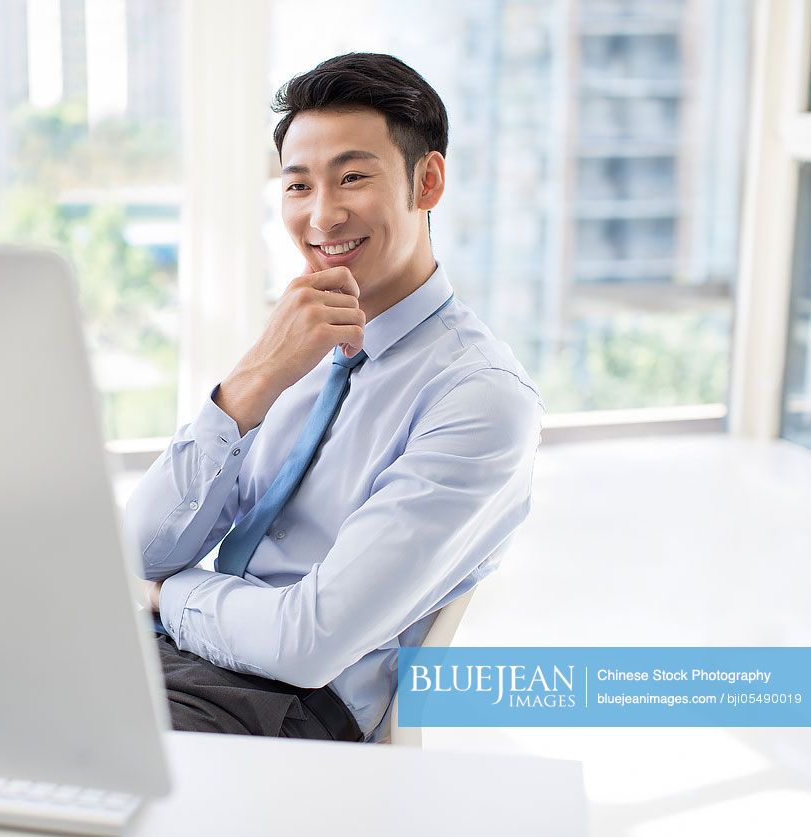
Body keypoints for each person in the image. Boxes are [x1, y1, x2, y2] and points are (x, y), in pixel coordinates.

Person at [123, 52, 543, 743]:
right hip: (171, 653)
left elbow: (307, 643)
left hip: (288, 706)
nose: (322, 215)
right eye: (297, 186)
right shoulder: (295, 346)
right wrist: (250, 384)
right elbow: (137, 552)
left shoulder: (477, 399)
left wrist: (170, 596)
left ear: (427, 181)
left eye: (351, 177)